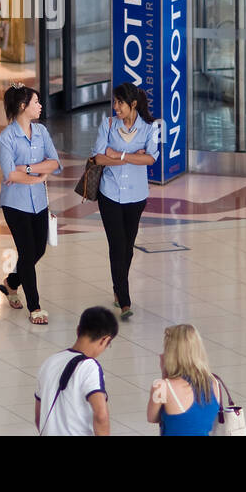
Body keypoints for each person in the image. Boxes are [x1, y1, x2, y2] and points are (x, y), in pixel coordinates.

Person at [90, 82, 160, 320]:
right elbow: (98, 158)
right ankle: (125, 299)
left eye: (120, 103)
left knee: (128, 248)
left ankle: (118, 288)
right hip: (109, 194)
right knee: (117, 246)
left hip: (136, 196)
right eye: (115, 101)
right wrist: (131, 158)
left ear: (133, 105)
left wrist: (117, 155)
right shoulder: (108, 124)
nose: (115, 107)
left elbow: (151, 159)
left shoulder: (149, 128)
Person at [0, 83, 62, 325]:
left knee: (38, 250)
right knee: (26, 252)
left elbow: (54, 162)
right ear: (23, 107)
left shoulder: (42, 132)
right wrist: (37, 177)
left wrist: (30, 169)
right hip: (15, 204)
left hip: (39, 202)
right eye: (36, 102)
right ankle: (35, 308)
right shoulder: (6, 138)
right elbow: (9, 174)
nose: (40, 106)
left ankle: (11, 283)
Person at [35, 306, 118, 436]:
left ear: (78, 330)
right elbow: (101, 415)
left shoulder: (49, 362)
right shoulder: (90, 367)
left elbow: (39, 417)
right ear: (105, 340)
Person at [146, 324, 221, 436]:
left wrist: (165, 374)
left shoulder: (161, 387)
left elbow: (152, 418)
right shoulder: (214, 383)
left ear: (172, 354)